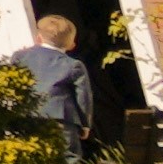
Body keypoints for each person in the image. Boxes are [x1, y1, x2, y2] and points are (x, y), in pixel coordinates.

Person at [12, 11, 100, 146]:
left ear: (38, 38)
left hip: (28, 116)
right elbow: (83, 97)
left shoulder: (20, 57)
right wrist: (85, 124)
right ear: (72, 45)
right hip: (61, 119)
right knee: (67, 156)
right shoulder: (74, 65)